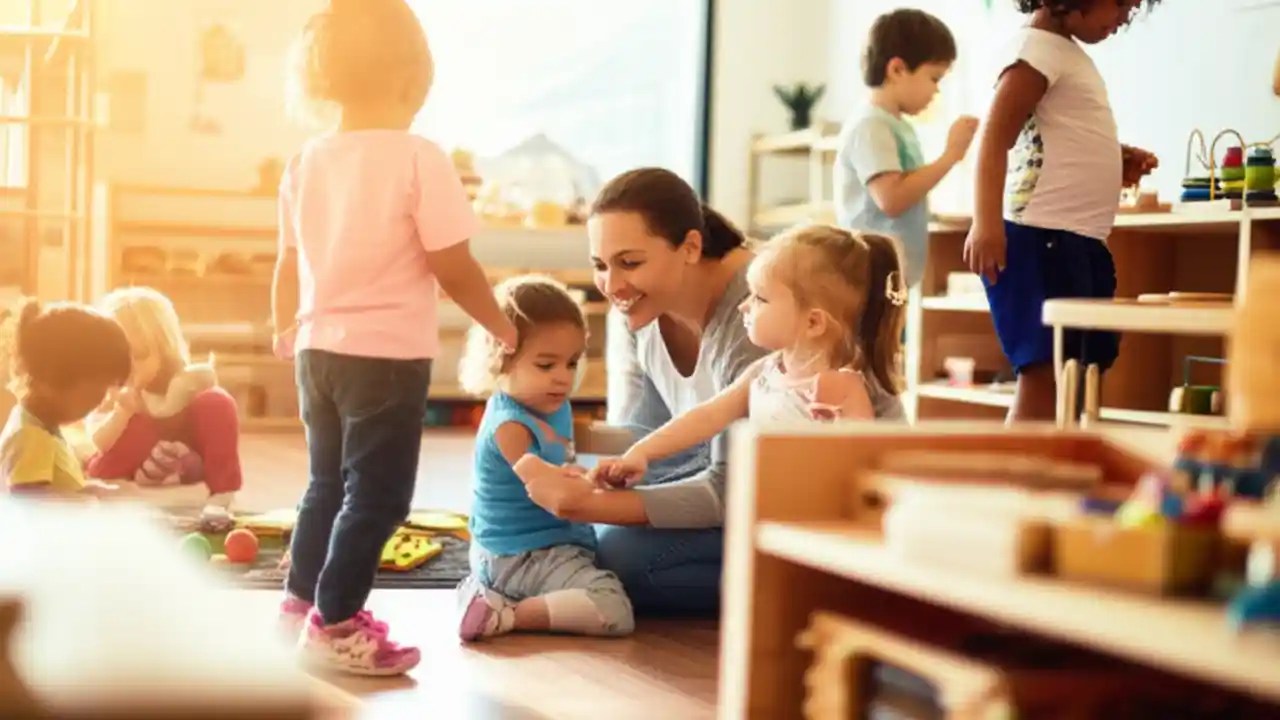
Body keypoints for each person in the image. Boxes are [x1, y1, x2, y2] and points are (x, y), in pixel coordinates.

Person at [272, 0, 518, 676]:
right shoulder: (419, 157)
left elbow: (288, 262)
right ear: (415, 76)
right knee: (377, 497)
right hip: (383, 358)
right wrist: (501, 325)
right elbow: (452, 264)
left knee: (326, 486)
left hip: (316, 350)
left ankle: (297, 608)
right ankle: (337, 621)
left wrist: (281, 326)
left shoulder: (307, 159)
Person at [592, 225, 907, 489]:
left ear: (813, 322)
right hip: (765, 513)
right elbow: (707, 416)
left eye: (760, 298)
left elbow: (864, 471)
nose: (743, 306)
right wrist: (642, 452)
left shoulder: (838, 386)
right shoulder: (765, 372)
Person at [964, 0, 1160, 422]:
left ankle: (1058, 467)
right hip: (1039, 238)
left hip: (1076, 240)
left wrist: (1113, 159)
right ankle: (1017, 481)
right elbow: (992, 139)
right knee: (1044, 374)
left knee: (1080, 371)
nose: (1125, 16)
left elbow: (1055, 133)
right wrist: (985, 223)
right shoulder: (1036, 51)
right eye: (1121, 3)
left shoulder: (1065, 54)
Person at [453, 275, 634, 641]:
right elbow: (543, 484)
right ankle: (506, 614)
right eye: (546, 365)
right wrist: (592, 483)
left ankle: (488, 597)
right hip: (521, 556)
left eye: (571, 363)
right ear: (501, 358)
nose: (563, 378)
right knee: (614, 609)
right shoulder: (510, 426)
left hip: (535, 547)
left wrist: (644, 449)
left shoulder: (548, 404)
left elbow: (566, 449)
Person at [835, 8, 978, 288]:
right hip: (870, 275)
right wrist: (950, 156)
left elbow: (908, 191)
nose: (936, 91)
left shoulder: (898, 126)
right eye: (934, 78)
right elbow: (892, 198)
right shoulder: (871, 125)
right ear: (897, 69)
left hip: (891, 276)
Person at [85, 287, 242, 511]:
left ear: (164, 349)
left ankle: (221, 493)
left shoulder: (181, 382)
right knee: (134, 428)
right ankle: (124, 491)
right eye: (119, 358)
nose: (129, 367)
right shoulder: (111, 388)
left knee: (217, 402)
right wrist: (123, 412)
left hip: (182, 464)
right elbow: (99, 442)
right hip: (126, 479)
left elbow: (206, 384)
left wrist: (182, 393)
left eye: (139, 356)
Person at [0, 300, 131, 498]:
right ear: (53, 381)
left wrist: (88, 490)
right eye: (98, 390)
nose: (101, 400)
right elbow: (31, 506)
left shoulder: (39, 427)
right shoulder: (32, 439)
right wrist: (85, 503)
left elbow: (54, 488)